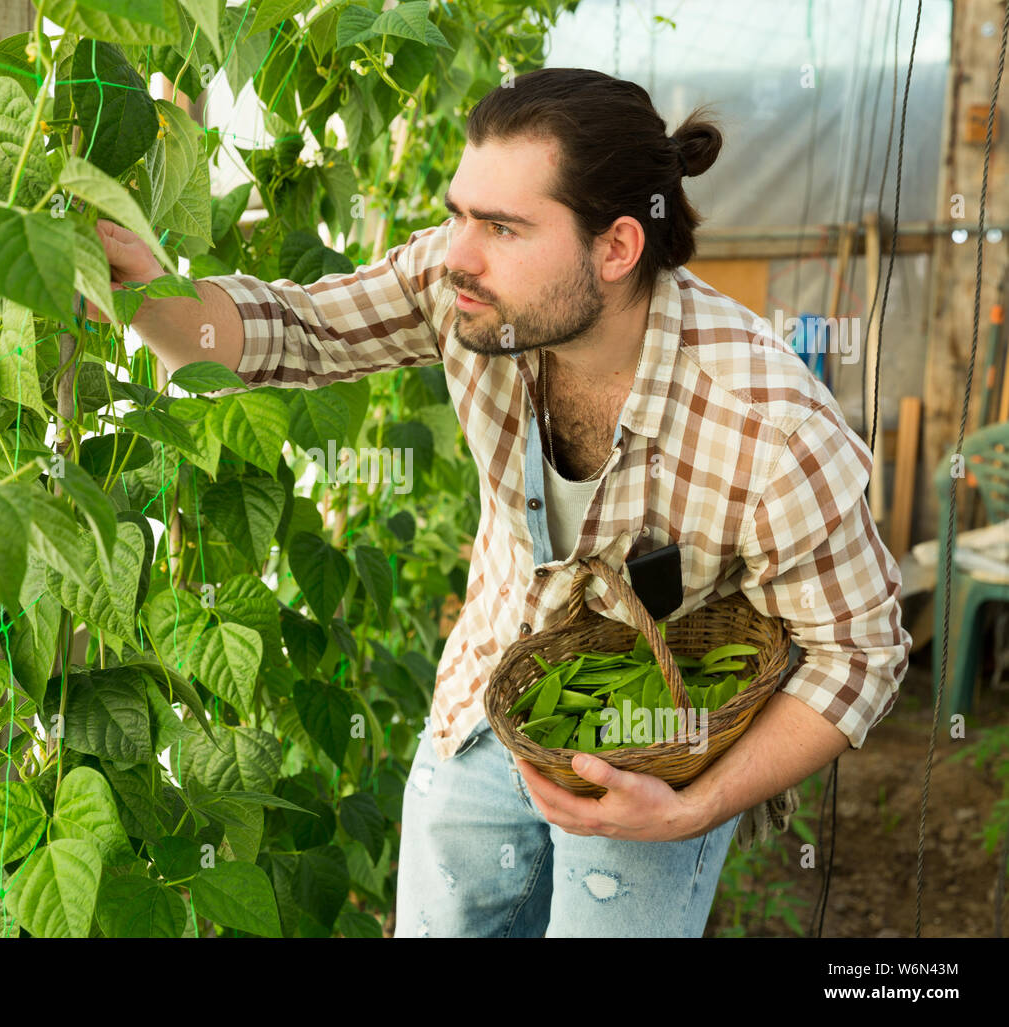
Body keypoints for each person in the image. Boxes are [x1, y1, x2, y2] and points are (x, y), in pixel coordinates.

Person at [84, 67, 912, 937]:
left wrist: (693, 809)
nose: (457, 254)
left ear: (618, 248)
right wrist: (142, 283)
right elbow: (296, 333)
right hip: (489, 689)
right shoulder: (468, 294)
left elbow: (860, 654)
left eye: (503, 227)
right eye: (458, 214)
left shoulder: (771, 426)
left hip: (653, 752)